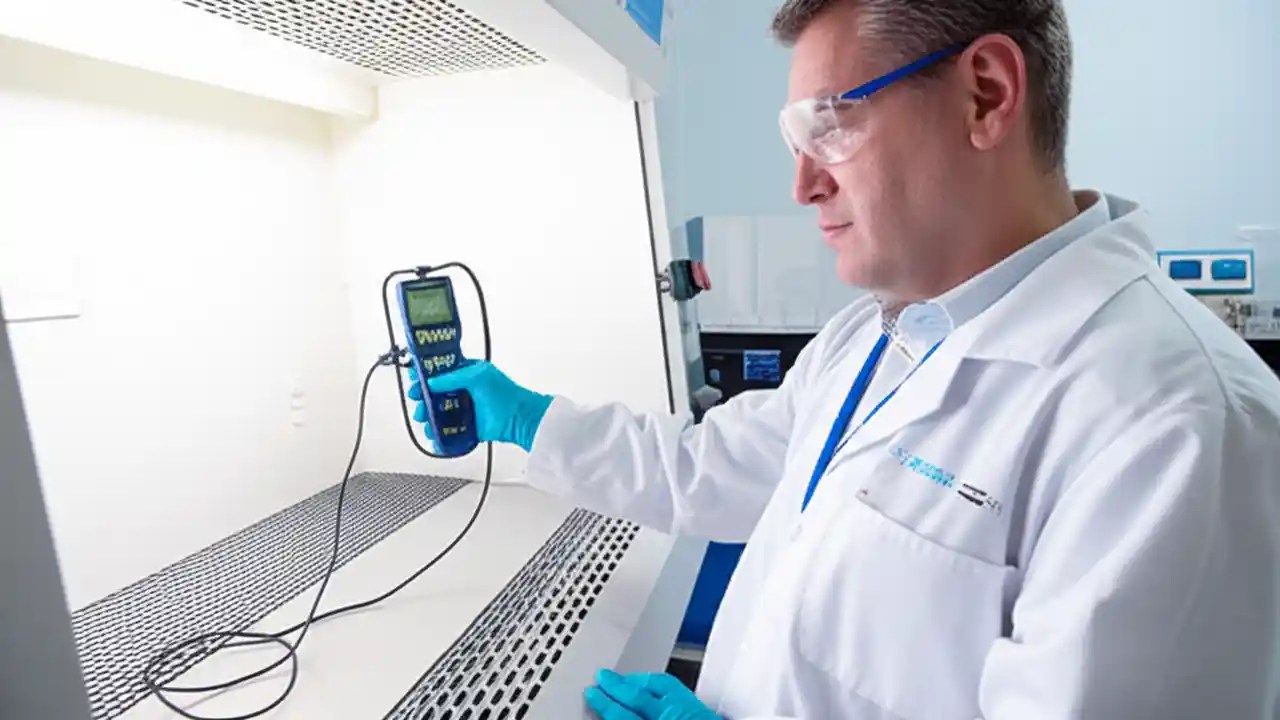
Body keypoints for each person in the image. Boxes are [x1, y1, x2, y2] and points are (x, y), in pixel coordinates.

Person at [411, 0, 1280, 717]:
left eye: (830, 126)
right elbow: (706, 471)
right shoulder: (878, 336)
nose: (803, 185)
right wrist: (524, 417)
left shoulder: (1178, 424)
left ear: (985, 94)